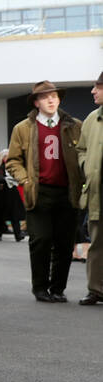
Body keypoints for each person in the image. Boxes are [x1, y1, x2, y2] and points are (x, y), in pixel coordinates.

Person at [6, 80, 83, 303]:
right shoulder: (23, 128)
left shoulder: (73, 124)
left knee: (64, 242)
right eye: (45, 97)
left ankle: (58, 288)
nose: (51, 100)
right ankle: (40, 287)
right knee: (40, 240)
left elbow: (82, 155)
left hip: (67, 193)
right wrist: (26, 180)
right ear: (37, 102)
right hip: (38, 191)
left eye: (54, 96)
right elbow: (13, 161)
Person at [78, 72, 103, 305]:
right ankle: (96, 289)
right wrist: (87, 165)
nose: (93, 91)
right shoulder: (91, 119)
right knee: (96, 243)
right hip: (96, 193)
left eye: (98, 87)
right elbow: (81, 150)